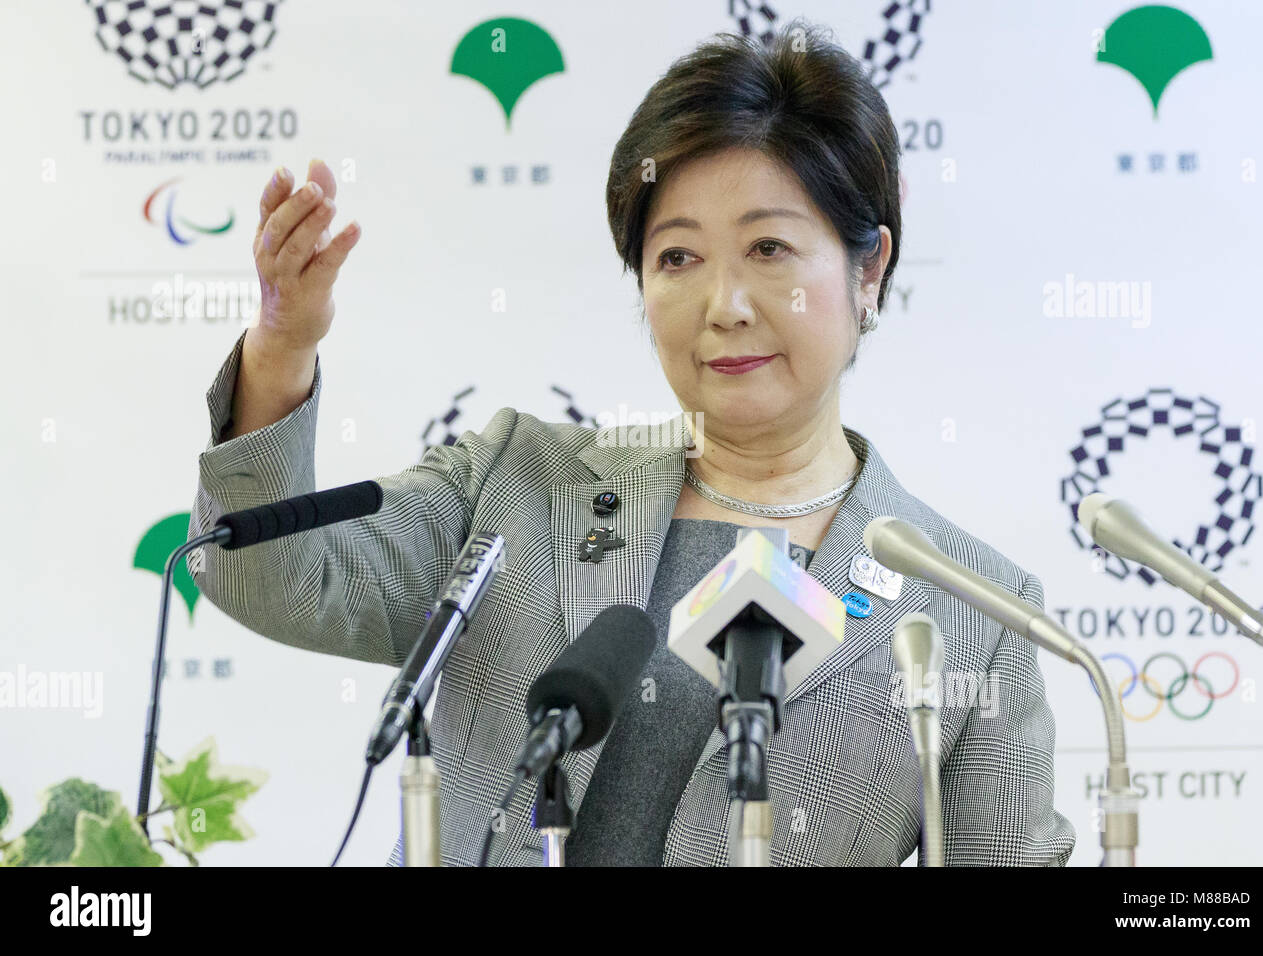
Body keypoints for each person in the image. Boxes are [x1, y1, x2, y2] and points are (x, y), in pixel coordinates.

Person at [189, 20, 1075, 866]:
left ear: (868, 269)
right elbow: (268, 574)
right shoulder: (517, 483)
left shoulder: (970, 612)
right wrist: (281, 348)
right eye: (678, 258)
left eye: (769, 248)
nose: (723, 305)